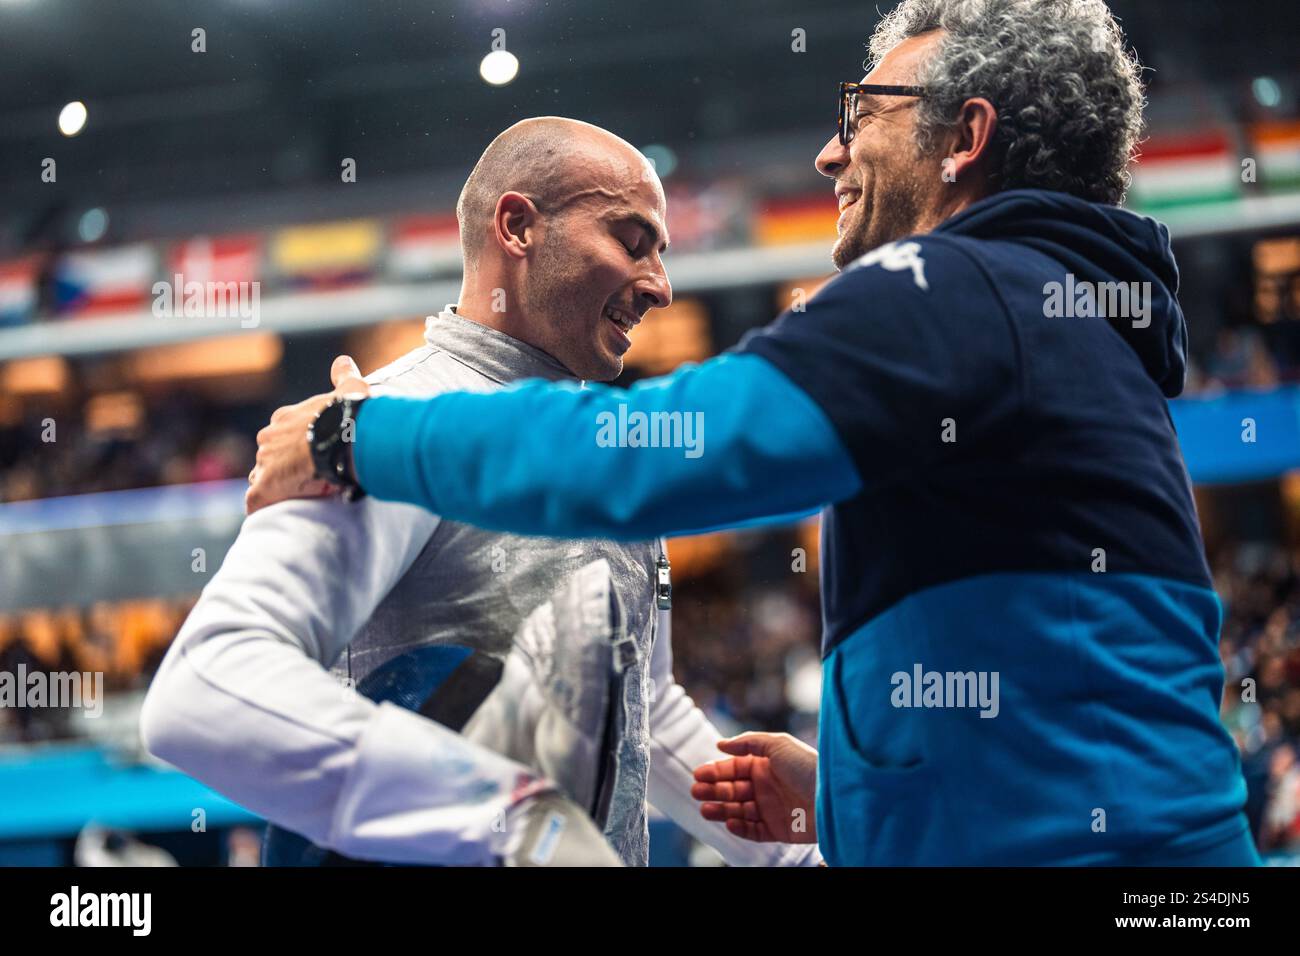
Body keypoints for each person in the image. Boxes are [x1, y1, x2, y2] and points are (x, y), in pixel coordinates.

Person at [246, 0, 1260, 866]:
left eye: (862, 113)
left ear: (963, 137)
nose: (830, 149)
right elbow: (1062, 695)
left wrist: (362, 437)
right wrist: (848, 795)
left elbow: (656, 451)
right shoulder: (1064, 319)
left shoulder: (962, 287)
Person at [141, 116, 820, 868]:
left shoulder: (610, 447)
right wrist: (511, 821)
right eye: (632, 242)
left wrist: (798, 853)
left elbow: (643, 711)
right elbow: (202, 689)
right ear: (519, 226)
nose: (661, 286)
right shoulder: (367, 427)